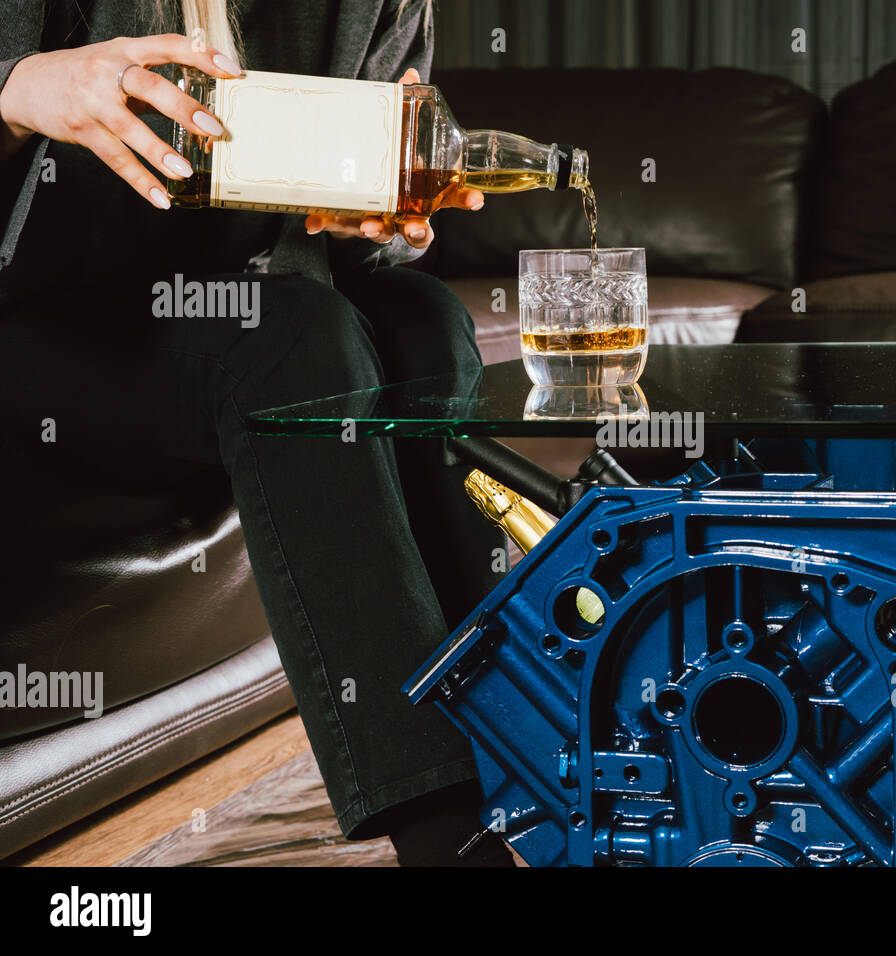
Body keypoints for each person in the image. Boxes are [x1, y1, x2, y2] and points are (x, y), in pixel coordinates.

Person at [0, 0, 513, 865]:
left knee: (421, 317)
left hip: (222, 312)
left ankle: (522, 744)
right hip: (40, 324)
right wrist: (14, 94)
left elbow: (343, 250)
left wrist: (374, 216)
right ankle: (446, 837)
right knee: (292, 340)